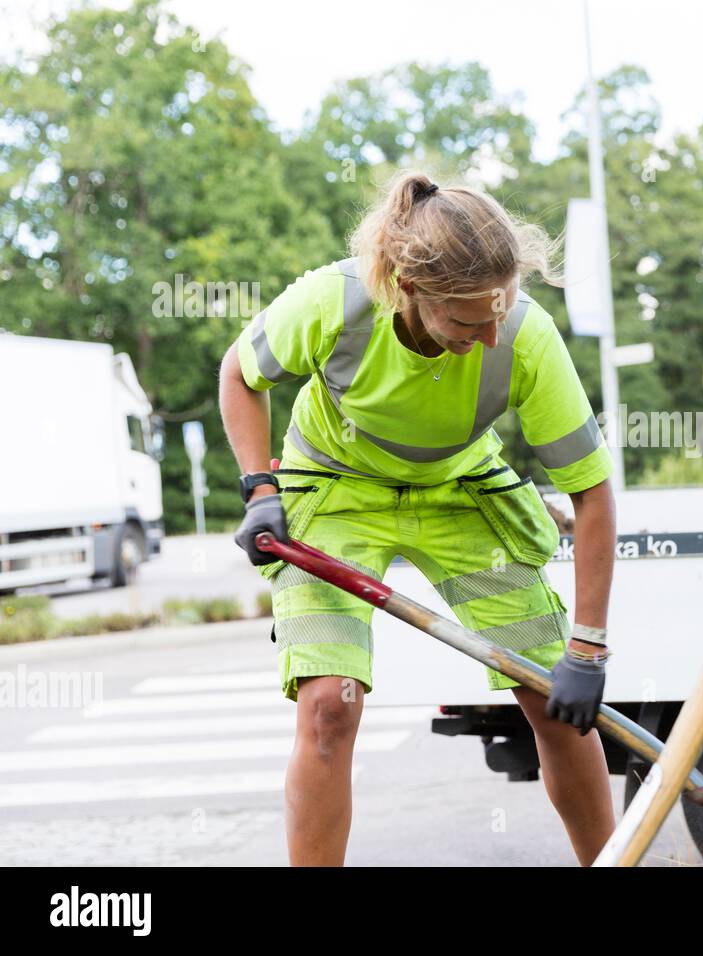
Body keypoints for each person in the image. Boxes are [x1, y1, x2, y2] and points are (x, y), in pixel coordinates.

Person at [218, 171, 618, 865]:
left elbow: (591, 494)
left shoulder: (523, 334)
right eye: (469, 320)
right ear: (407, 288)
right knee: (327, 711)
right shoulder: (335, 301)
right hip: (336, 489)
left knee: (556, 702)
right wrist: (261, 491)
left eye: (501, 310)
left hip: (461, 489)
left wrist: (586, 649)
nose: (494, 336)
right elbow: (238, 375)